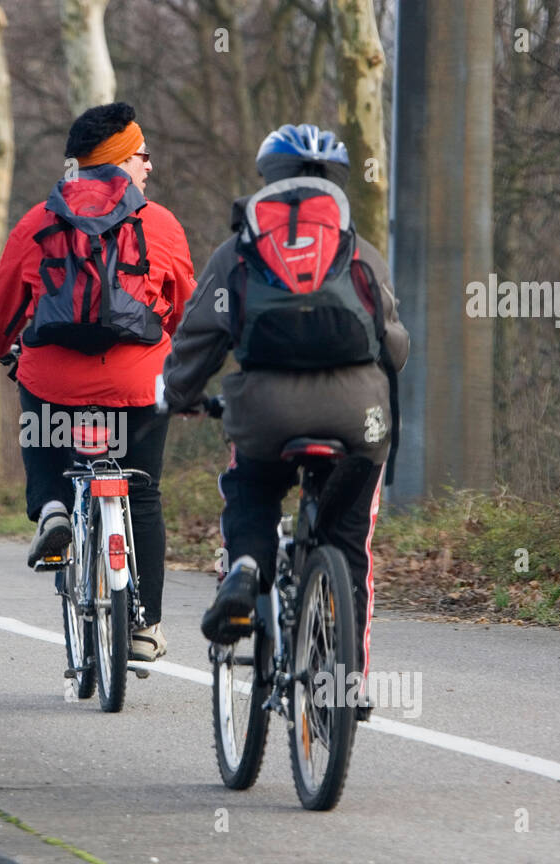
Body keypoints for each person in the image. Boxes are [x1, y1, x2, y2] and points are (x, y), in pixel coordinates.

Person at [159, 123, 409, 686]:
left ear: (267, 177)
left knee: (253, 486)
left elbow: (201, 336)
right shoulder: (359, 251)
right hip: (358, 419)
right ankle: (348, 684)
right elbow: (394, 344)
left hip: (267, 415)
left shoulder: (238, 252)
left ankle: (247, 566)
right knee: (348, 545)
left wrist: (178, 396)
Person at [0, 102, 197, 662]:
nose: (150, 164)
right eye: (143, 154)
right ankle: (144, 627)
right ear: (121, 159)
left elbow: (3, 300)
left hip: (55, 383)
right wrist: (179, 355)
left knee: (35, 392)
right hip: (138, 387)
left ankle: (50, 508)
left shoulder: (38, 221)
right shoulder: (161, 224)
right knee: (142, 492)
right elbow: (185, 307)